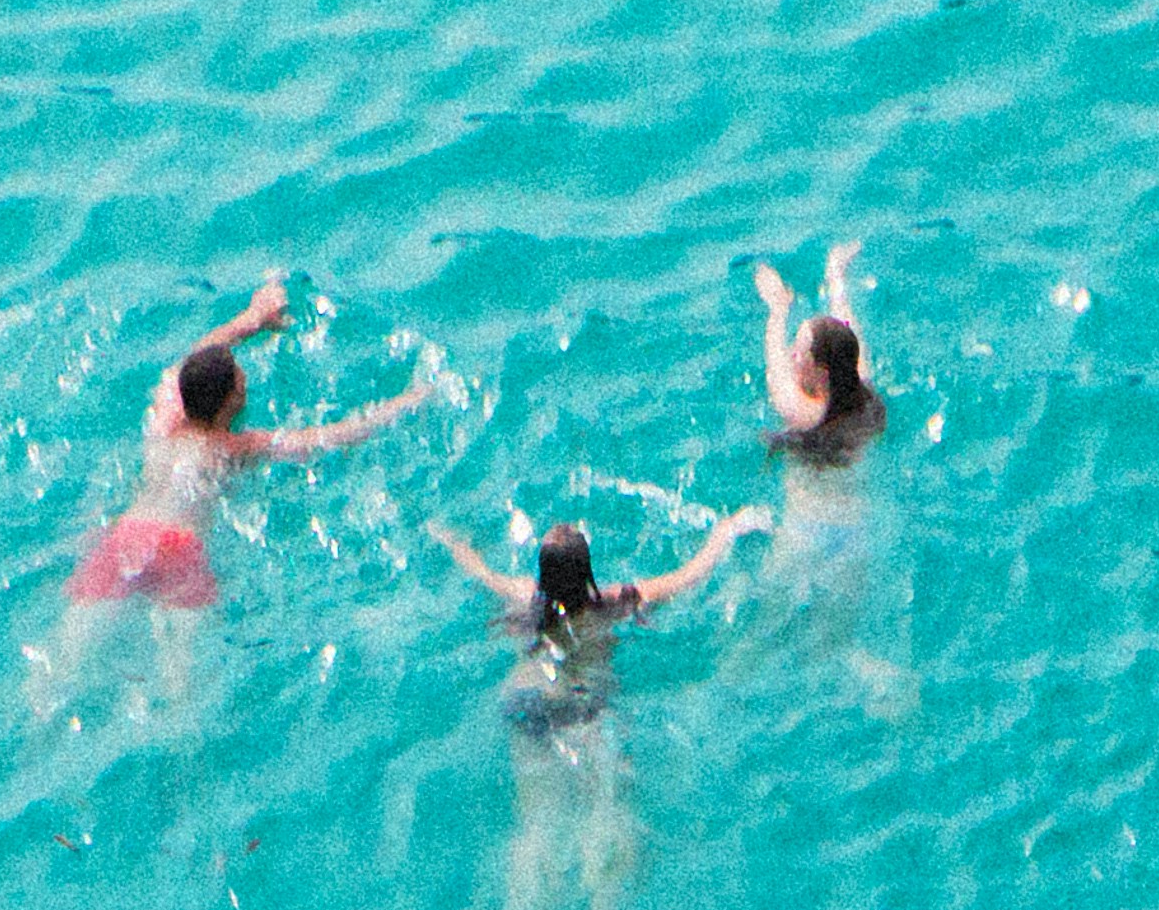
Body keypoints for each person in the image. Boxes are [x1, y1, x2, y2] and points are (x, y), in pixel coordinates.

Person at [64, 272, 443, 613]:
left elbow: (190, 360)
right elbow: (329, 438)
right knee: (180, 671)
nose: (243, 377)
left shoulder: (165, 420)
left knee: (72, 642)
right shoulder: (236, 448)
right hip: (179, 547)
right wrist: (406, 402)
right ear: (231, 401)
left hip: (129, 532)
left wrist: (251, 319)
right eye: (240, 379)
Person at [428, 506, 773, 726]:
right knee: (612, 813)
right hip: (584, 705)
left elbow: (480, 572)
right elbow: (690, 575)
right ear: (586, 570)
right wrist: (726, 529)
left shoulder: (523, 596)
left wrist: (452, 540)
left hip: (527, 697)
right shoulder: (614, 604)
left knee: (535, 824)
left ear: (544, 572)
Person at [755, 245, 885, 452]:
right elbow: (848, 331)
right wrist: (835, 276)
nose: (792, 352)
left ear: (822, 374)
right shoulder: (861, 384)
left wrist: (777, 309)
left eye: (799, 352)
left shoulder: (803, 412)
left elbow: (776, 365)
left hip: (808, 485)